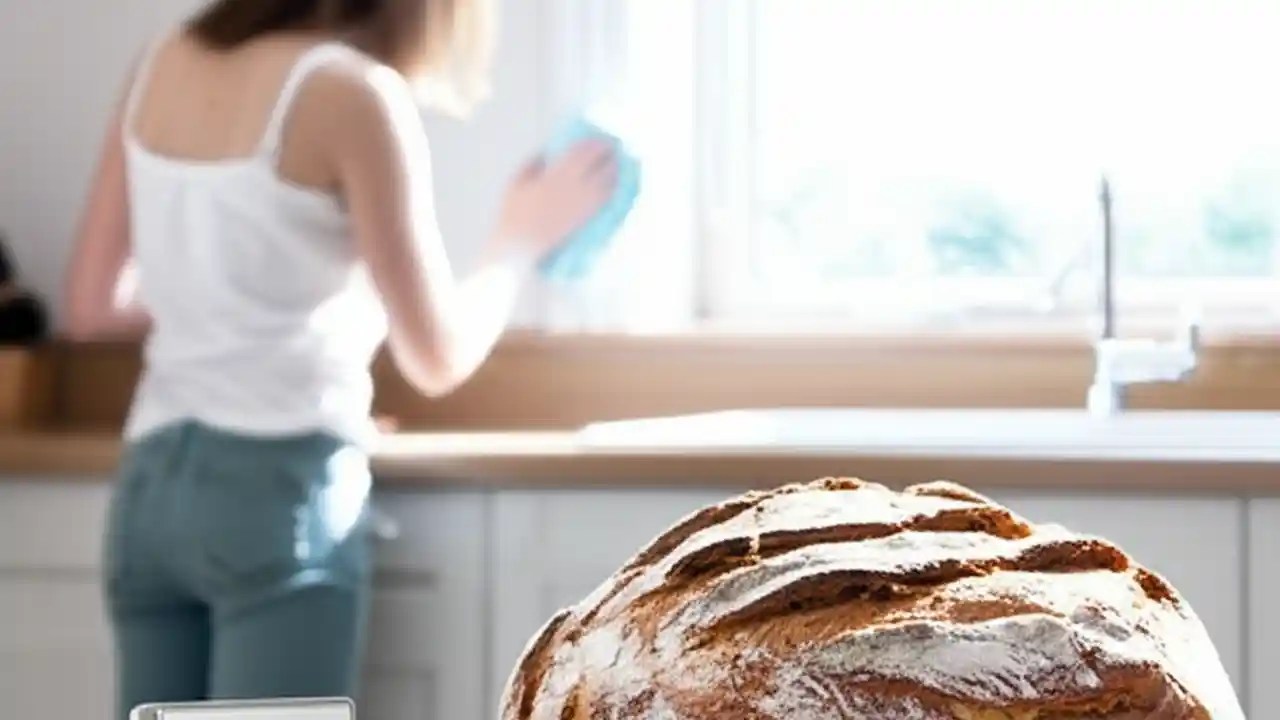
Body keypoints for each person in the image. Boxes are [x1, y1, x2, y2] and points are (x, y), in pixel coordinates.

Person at [62, 1, 617, 717]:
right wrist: (517, 239)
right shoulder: (352, 94)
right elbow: (436, 356)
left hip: (149, 490)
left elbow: (90, 308)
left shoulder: (165, 58)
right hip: (275, 489)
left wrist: (230, 303)